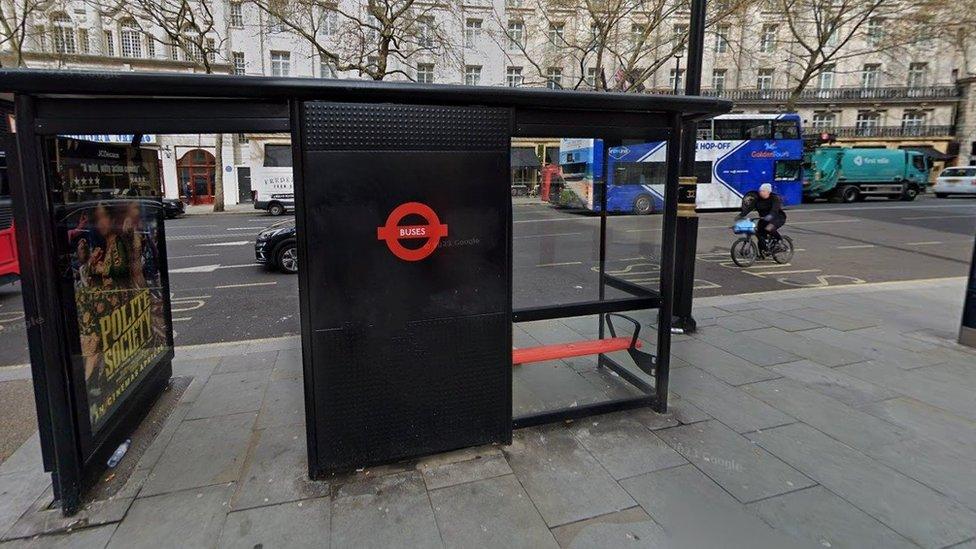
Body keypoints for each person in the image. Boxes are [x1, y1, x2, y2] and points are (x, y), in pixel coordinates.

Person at [737, 183, 786, 253]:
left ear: (768, 192)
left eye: (763, 191)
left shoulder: (774, 198)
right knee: (759, 234)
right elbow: (749, 208)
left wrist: (770, 216)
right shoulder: (757, 199)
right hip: (763, 218)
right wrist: (740, 216)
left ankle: (780, 242)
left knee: (769, 228)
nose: (760, 192)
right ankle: (763, 251)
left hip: (777, 218)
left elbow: (774, 210)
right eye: (760, 191)